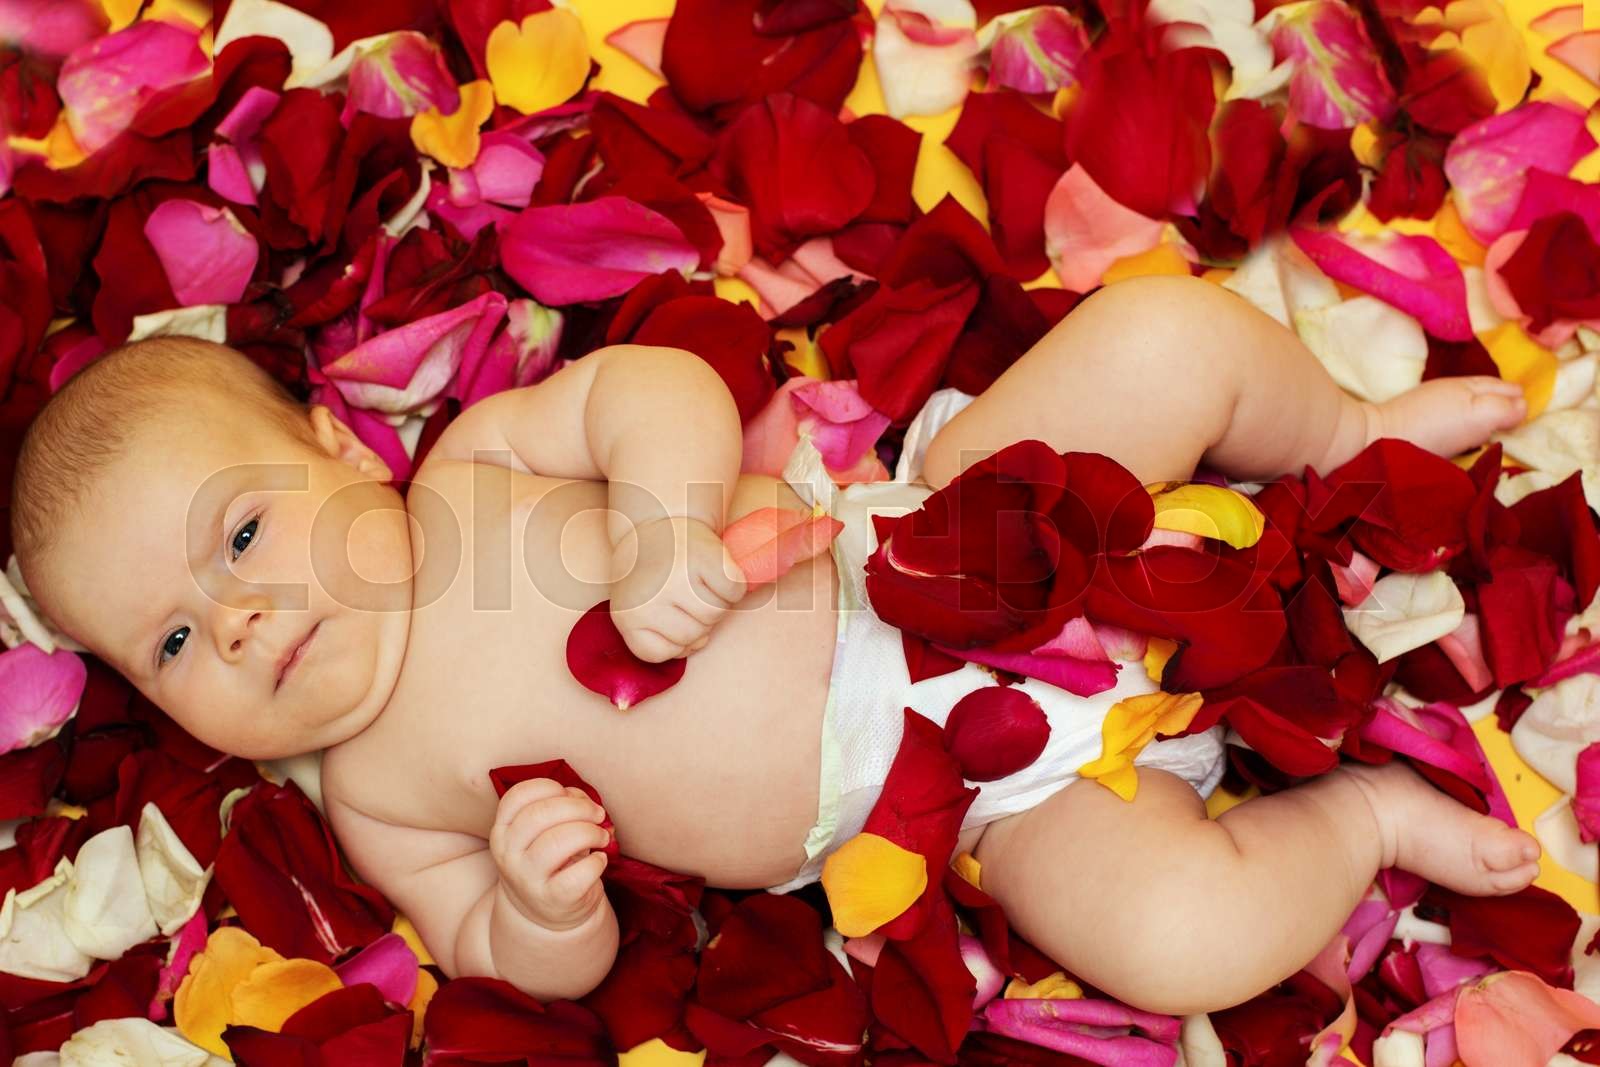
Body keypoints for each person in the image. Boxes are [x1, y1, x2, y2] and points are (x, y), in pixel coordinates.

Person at [9, 274, 1539, 1015]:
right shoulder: (376, 800)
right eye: (175, 640)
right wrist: (545, 907)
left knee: (1165, 342)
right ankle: (1365, 818)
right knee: (1177, 947)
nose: (245, 622)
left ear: (341, 448)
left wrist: (666, 523)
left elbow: (654, 386)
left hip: (947, 533)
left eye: (244, 539)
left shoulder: (475, 466)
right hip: (960, 799)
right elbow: (502, 955)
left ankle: (1349, 434)